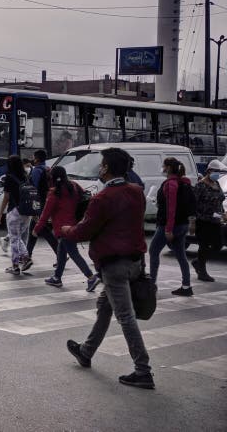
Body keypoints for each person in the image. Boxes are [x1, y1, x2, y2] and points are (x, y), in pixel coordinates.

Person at [61, 147, 153, 390]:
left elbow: (85, 230)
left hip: (114, 265)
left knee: (125, 316)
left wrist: (66, 229)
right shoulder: (136, 192)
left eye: (102, 164)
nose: (99, 168)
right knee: (104, 306)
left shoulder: (103, 198)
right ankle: (86, 351)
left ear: (107, 168)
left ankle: (143, 370)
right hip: (134, 261)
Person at [34, 166, 100, 291]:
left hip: (63, 229)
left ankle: (91, 277)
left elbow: (45, 214)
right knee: (62, 252)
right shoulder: (73, 186)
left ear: (52, 177)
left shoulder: (54, 193)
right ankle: (57, 277)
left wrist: (36, 229)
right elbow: (85, 195)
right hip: (74, 225)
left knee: (74, 253)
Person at [148, 157, 194, 296]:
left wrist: (168, 229)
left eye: (163, 165)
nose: (162, 168)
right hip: (183, 225)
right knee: (181, 255)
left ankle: (151, 285)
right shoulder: (184, 182)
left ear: (168, 168)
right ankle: (186, 286)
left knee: (153, 251)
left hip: (170, 225)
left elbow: (171, 208)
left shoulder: (171, 184)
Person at [191, 160, 227, 282]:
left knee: (217, 245)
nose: (218, 174)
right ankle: (202, 271)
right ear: (209, 171)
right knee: (204, 246)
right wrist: (192, 222)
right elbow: (193, 205)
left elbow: (220, 200)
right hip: (203, 220)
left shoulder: (216, 183)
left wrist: (223, 213)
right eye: (216, 172)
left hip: (216, 220)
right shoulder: (200, 185)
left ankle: (198, 262)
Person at [25, 149, 59, 271]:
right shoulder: (48, 169)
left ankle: (27, 257)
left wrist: (32, 208)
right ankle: (28, 255)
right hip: (46, 202)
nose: (32, 159)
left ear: (37, 159)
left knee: (38, 230)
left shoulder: (37, 171)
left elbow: (32, 189)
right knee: (37, 230)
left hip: (37, 203)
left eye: (34, 157)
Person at [0, 155, 32, 275]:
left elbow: (6, 197)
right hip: (27, 212)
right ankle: (21, 260)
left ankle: (18, 264)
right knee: (17, 237)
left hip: (14, 211)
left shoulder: (9, 177)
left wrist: (0, 213)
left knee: (14, 238)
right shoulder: (26, 176)